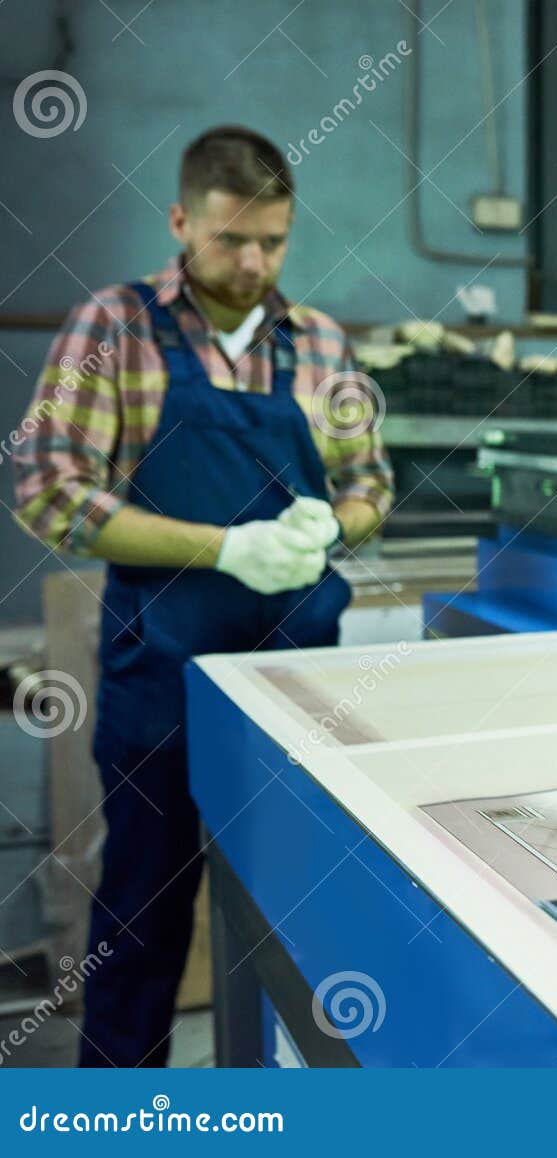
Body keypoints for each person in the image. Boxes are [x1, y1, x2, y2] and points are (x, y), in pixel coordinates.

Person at [10, 125, 394, 1066]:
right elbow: (47, 494)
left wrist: (331, 528)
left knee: (298, 922)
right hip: (163, 678)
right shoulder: (114, 328)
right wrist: (226, 547)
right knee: (141, 925)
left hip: (297, 679)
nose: (254, 261)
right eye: (231, 239)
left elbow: (371, 483)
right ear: (183, 221)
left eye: (273, 240)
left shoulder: (323, 344)